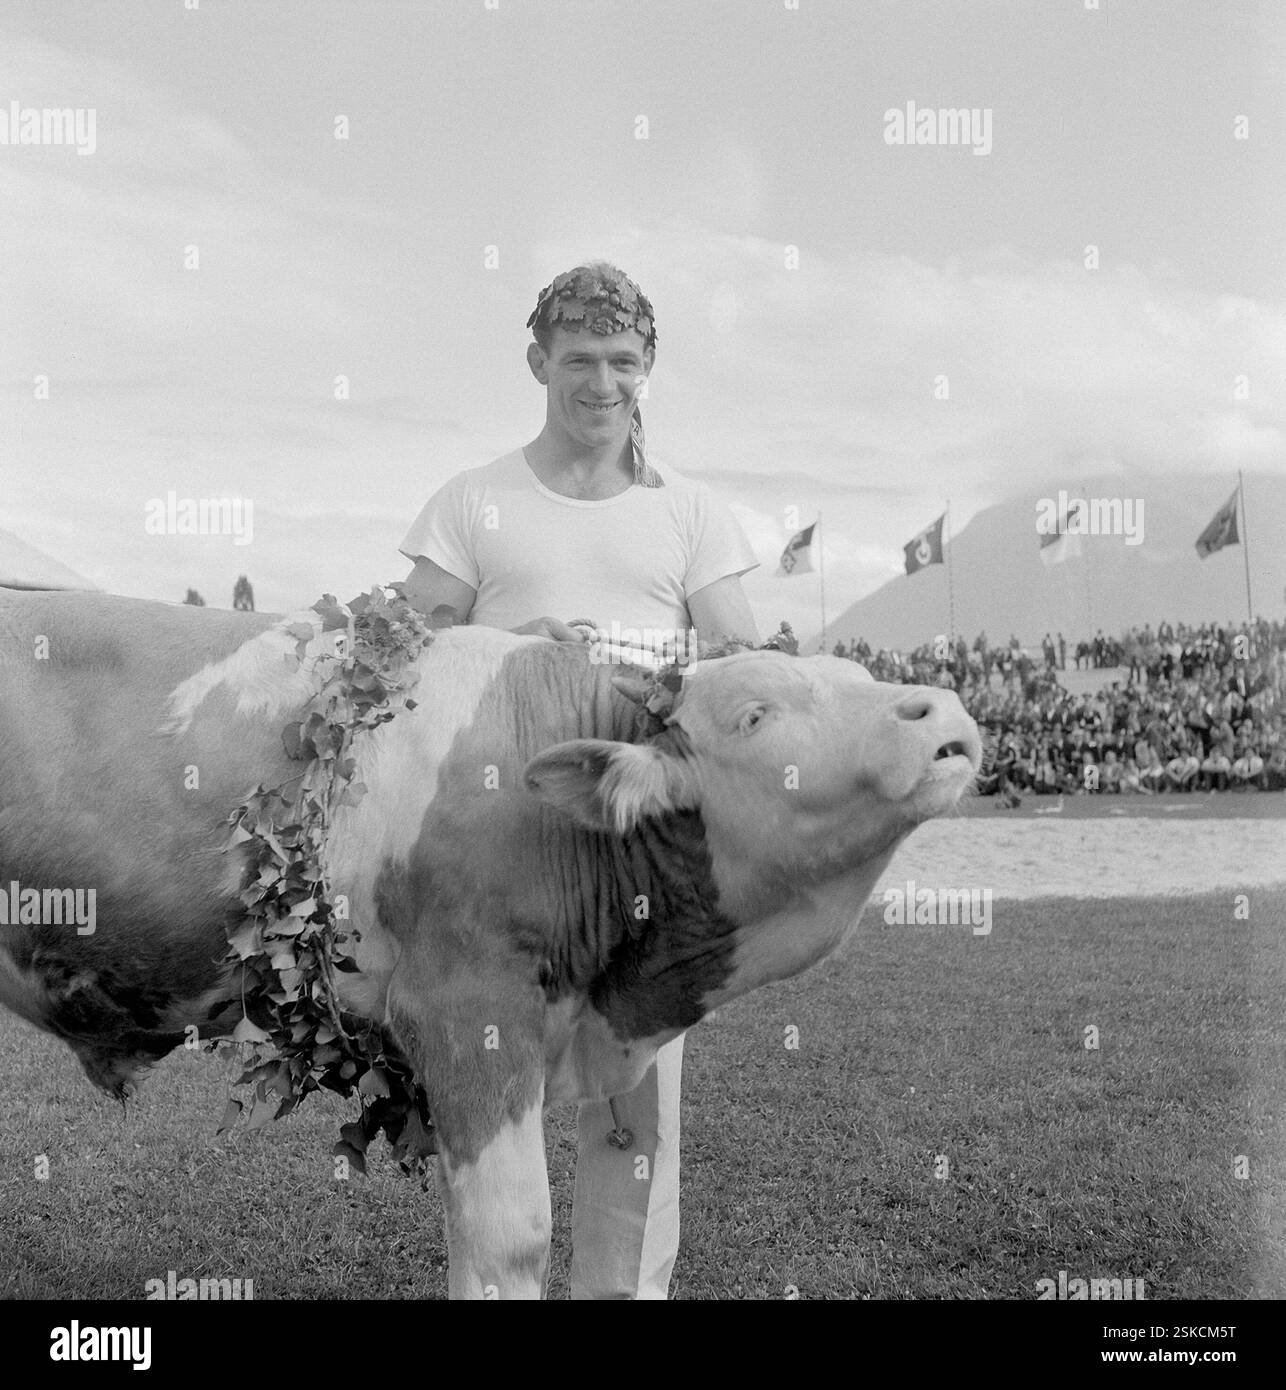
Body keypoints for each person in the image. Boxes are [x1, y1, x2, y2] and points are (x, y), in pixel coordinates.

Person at [398, 262, 759, 1299]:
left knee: (632, 1109)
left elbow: (742, 663)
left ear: (649, 367)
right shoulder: (472, 501)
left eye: (620, 360)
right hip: (498, 853)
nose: (599, 381)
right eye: (576, 359)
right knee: (487, 1100)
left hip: (641, 851)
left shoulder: (690, 513)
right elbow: (392, 651)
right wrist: (504, 644)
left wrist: (656, 677)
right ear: (535, 363)